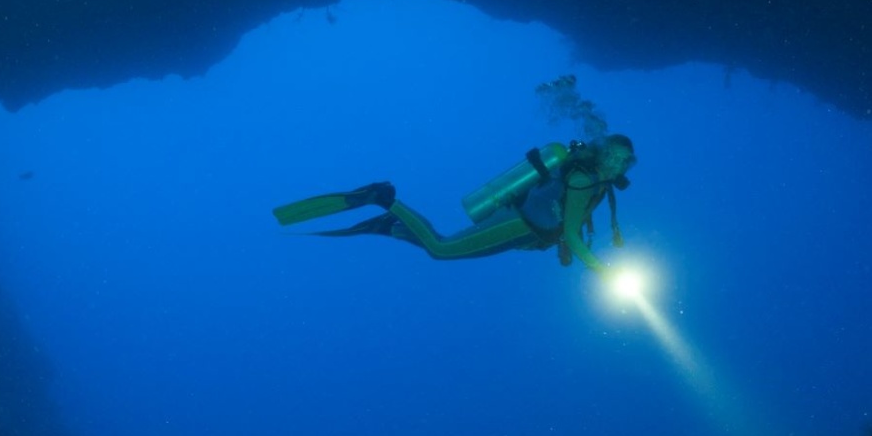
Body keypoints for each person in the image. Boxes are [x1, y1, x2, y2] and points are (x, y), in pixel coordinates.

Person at [272, 134, 636, 274]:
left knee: (442, 248)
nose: (621, 165)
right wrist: (604, 270)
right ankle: (383, 200)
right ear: (604, 153)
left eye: (626, 161)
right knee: (441, 250)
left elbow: (562, 225)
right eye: (617, 157)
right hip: (515, 224)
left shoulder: (598, 184)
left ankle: (392, 227)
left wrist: (558, 246)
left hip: (521, 230)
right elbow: (572, 231)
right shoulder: (583, 179)